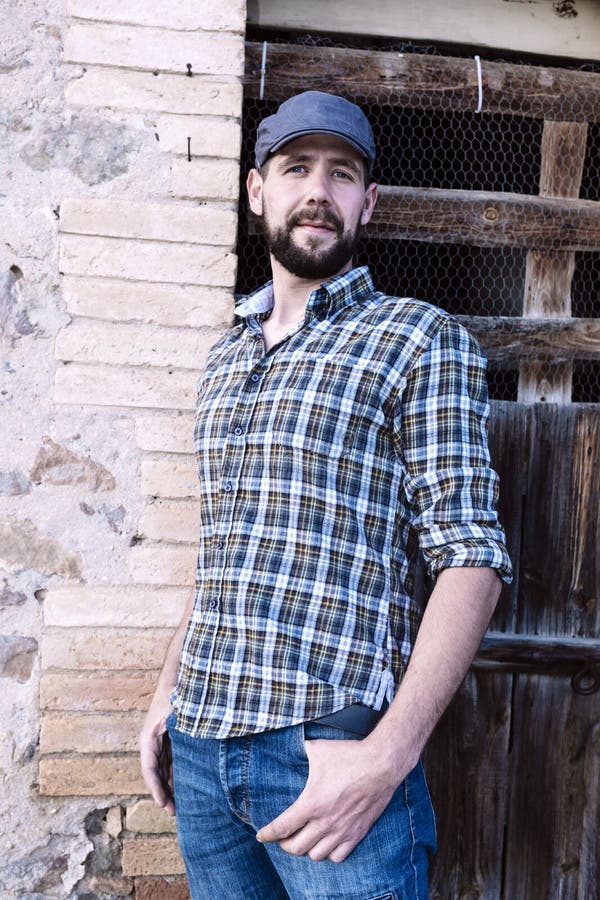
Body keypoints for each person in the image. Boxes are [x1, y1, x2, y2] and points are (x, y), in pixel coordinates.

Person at [140, 91, 512, 899]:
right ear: (255, 190)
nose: (318, 189)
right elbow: (224, 549)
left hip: (326, 759)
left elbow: (473, 558)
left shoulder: (417, 337)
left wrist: (389, 755)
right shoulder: (225, 358)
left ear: (367, 202)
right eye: (296, 168)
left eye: (342, 174)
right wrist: (169, 690)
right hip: (200, 755)